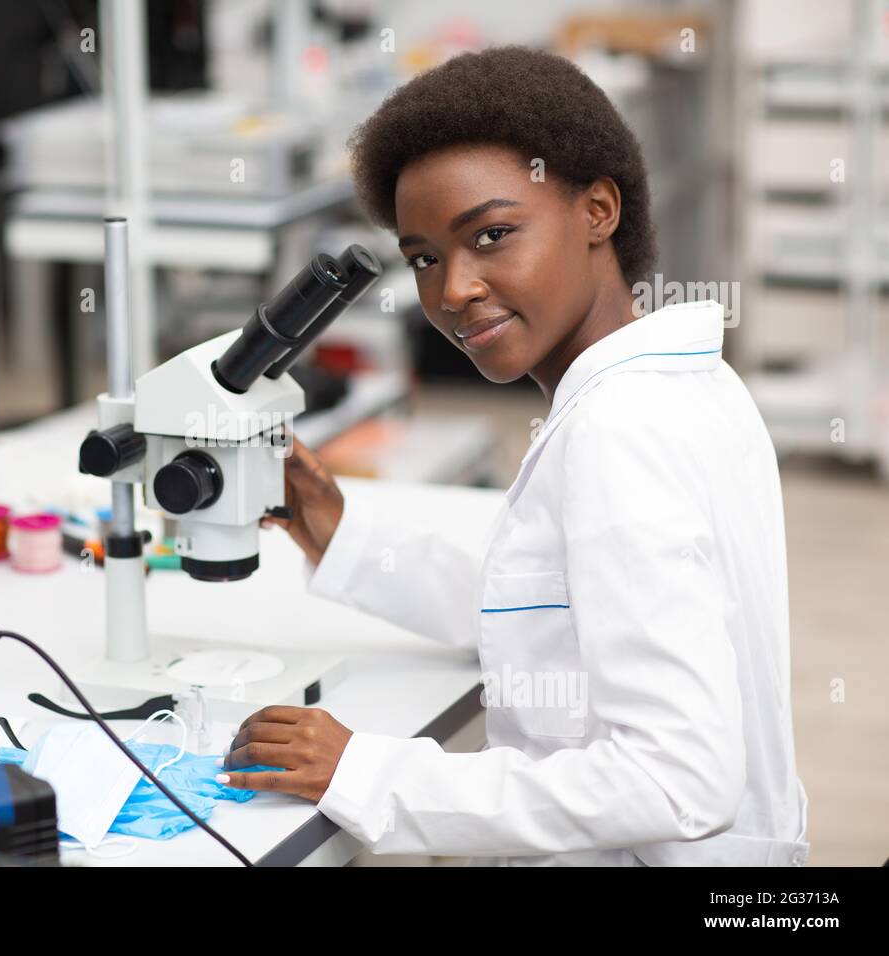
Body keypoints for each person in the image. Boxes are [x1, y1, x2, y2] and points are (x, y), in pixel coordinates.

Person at [219, 46, 809, 866]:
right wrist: (337, 530)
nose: (453, 289)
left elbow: (680, 781)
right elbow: (553, 612)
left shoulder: (619, 433)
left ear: (598, 210)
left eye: (492, 235)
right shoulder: (687, 381)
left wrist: (372, 771)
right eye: (424, 257)